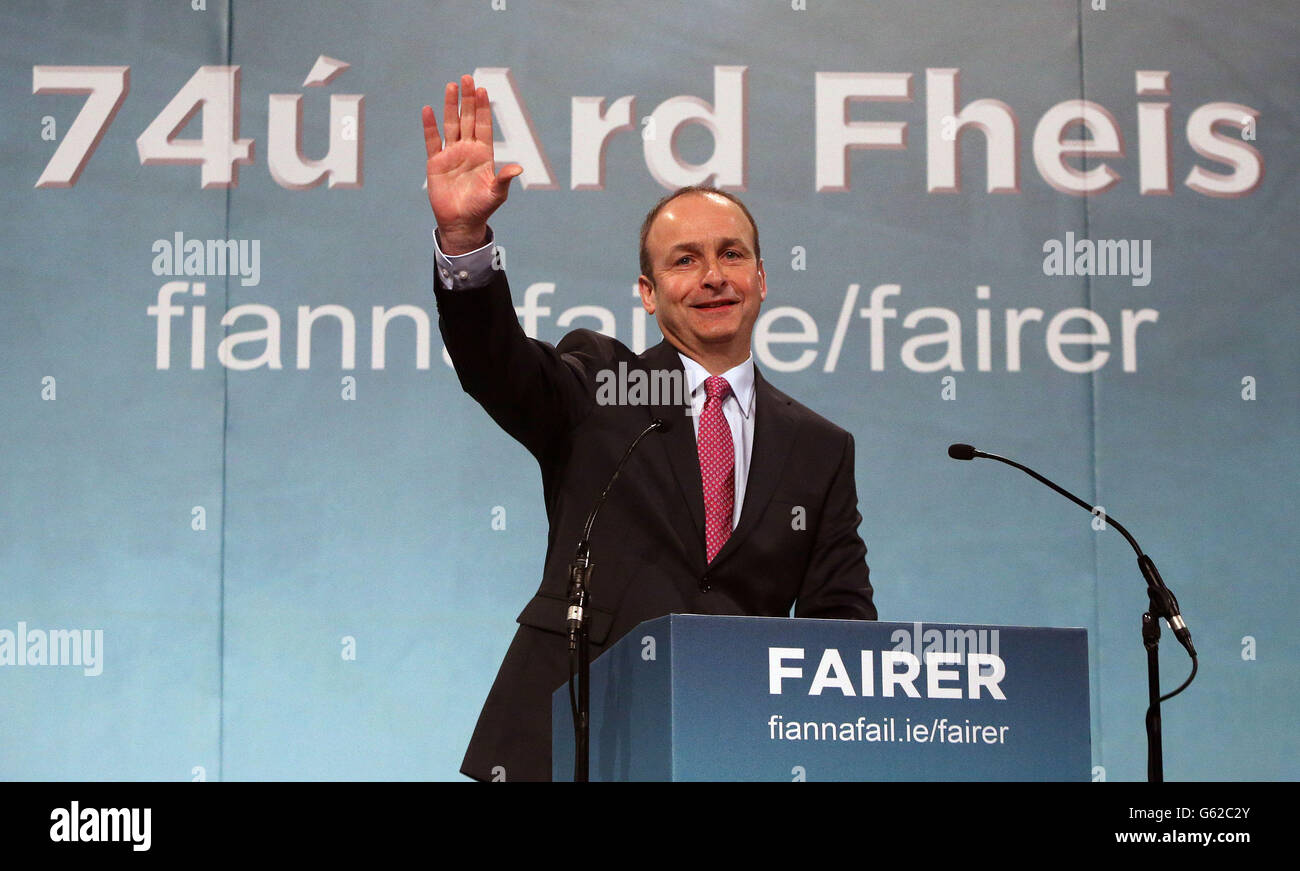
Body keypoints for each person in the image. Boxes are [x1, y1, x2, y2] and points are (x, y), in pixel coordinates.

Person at [423, 75, 877, 781]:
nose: (713, 276)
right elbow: (494, 364)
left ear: (762, 278)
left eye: (731, 255)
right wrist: (464, 238)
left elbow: (841, 624)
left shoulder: (819, 447)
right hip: (574, 738)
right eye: (684, 260)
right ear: (648, 291)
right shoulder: (601, 383)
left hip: (729, 745)